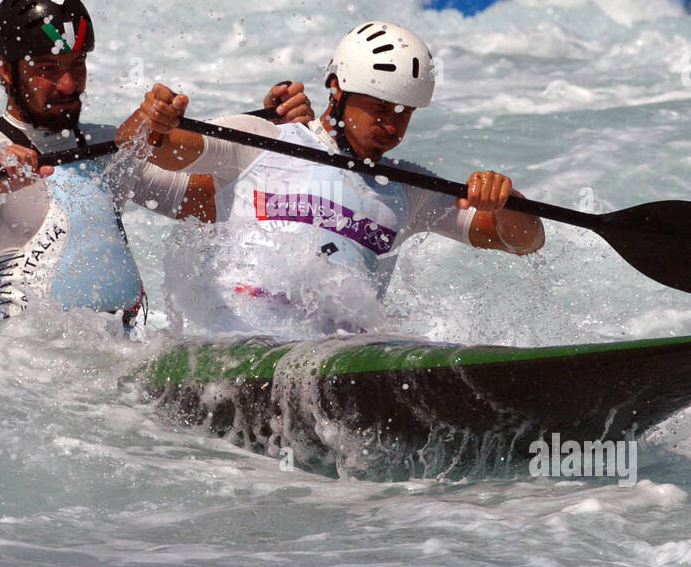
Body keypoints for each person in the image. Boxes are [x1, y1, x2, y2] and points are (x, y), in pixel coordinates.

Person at [0, 0, 312, 328]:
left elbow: (206, 203)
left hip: (109, 374)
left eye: (77, 64)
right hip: (13, 370)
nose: (67, 83)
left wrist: (280, 132)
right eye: (46, 68)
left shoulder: (103, 148)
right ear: (5, 70)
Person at [115, 20, 544, 335]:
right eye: (380, 107)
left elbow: (524, 242)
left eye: (404, 113)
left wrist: (505, 202)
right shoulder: (265, 138)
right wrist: (157, 120)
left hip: (339, 359)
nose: (393, 125)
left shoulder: (411, 189)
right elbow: (158, 150)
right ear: (336, 89)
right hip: (237, 346)